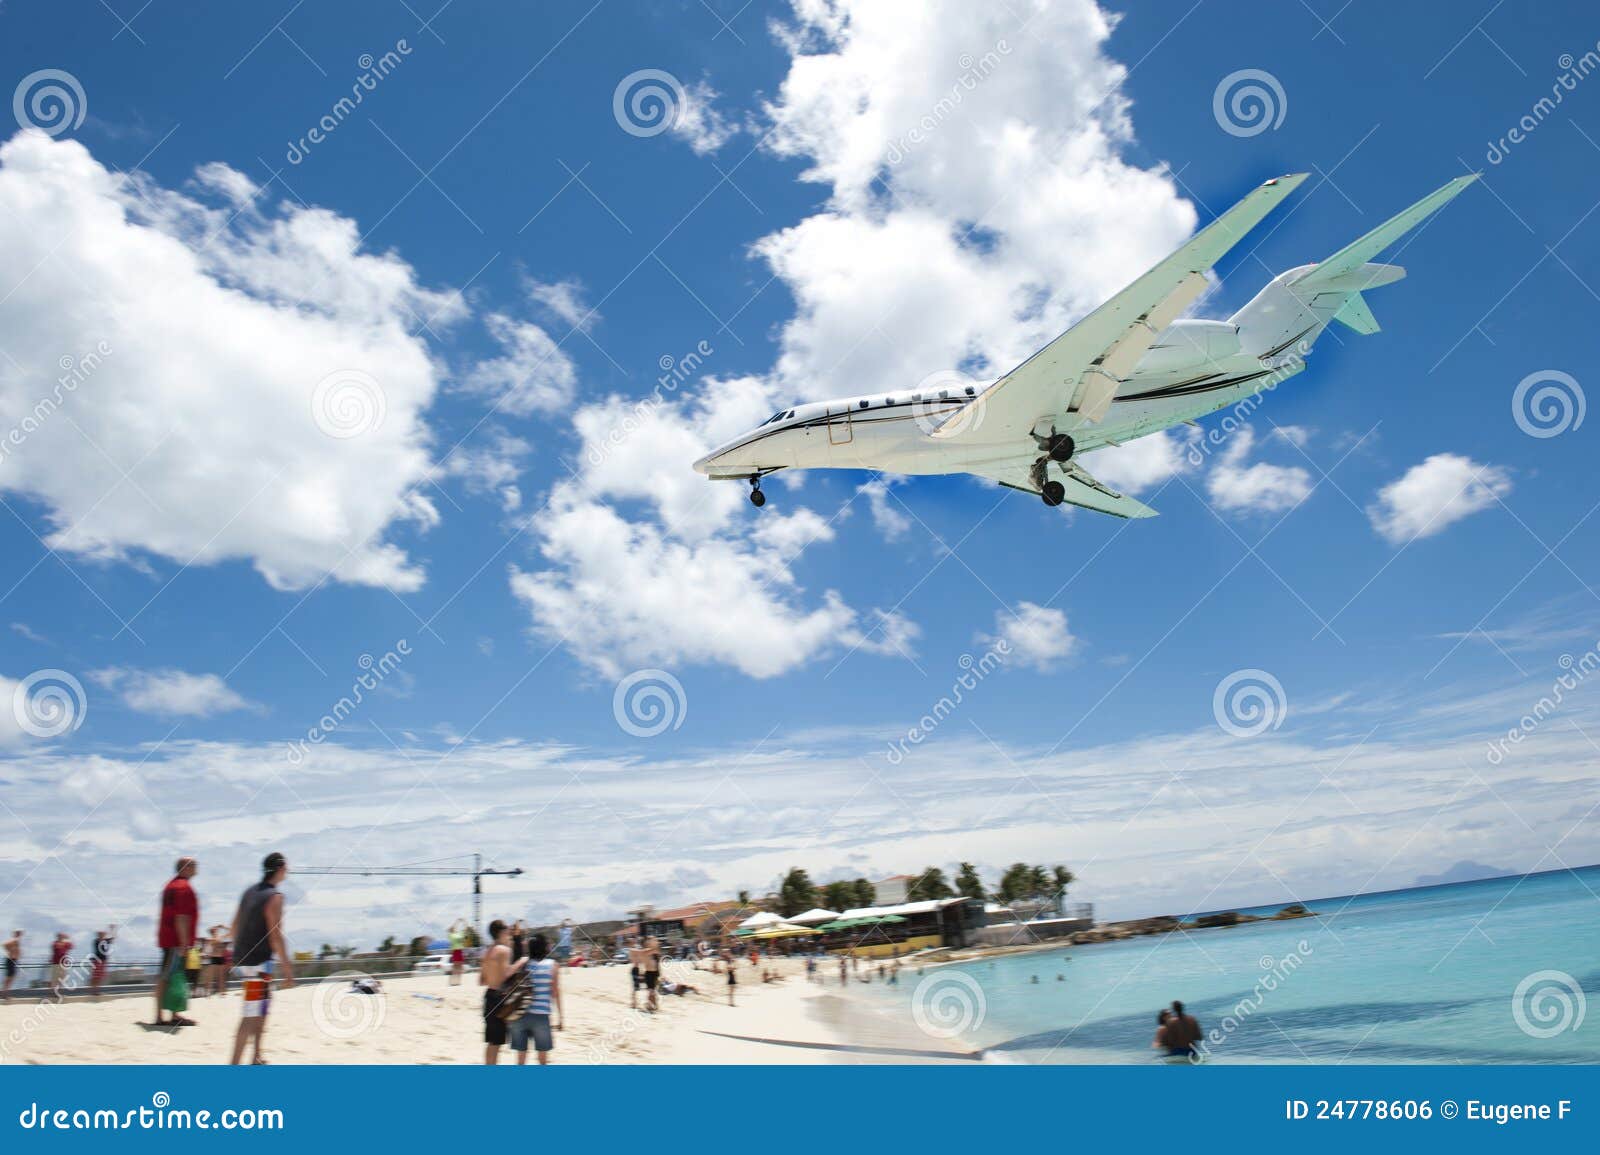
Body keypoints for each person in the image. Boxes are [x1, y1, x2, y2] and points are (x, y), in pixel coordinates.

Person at [229, 852, 294, 1065]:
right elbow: (276, 935)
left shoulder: (249, 892)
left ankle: (256, 1054)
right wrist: (287, 969)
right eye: (286, 868)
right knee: (250, 1014)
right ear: (280, 869)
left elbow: (235, 926)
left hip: (245, 959)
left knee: (263, 1006)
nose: (288, 871)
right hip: (258, 963)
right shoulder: (275, 897)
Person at [156, 856, 200, 1026]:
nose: (196, 867)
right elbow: (181, 917)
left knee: (173, 976)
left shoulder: (170, 886)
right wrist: (183, 943)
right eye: (193, 865)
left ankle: (173, 1015)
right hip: (175, 941)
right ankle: (160, 1017)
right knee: (166, 976)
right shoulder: (183, 888)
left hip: (168, 939)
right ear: (184, 868)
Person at [510, 933, 563, 1066]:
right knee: (542, 1060)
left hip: (520, 1014)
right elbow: (555, 993)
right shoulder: (552, 965)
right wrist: (561, 1017)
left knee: (521, 1060)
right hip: (541, 1016)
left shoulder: (524, 964)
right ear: (545, 947)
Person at [480, 919, 527, 1065]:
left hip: (488, 996)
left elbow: (482, 980)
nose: (508, 931)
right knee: (498, 1042)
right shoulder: (504, 950)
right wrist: (521, 962)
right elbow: (505, 976)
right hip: (499, 997)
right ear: (501, 932)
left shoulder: (486, 952)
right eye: (506, 929)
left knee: (492, 1041)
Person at [90, 926, 116, 999]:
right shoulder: (96, 941)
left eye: (103, 934)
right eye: (101, 934)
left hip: (103, 961)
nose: (103, 935)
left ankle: (96, 991)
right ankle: (93, 991)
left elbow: (113, 939)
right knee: (96, 976)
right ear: (99, 935)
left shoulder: (105, 941)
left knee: (100, 976)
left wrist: (112, 929)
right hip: (97, 961)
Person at [49, 932, 72, 997]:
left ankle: (58, 993)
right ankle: (54, 993)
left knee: (62, 979)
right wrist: (65, 942)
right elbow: (58, 949)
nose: (61, 937)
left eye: (62, 936)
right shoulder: (55, 943)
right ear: (58, 936)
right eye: (60, 936)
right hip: (56, 964)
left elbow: (71, 945)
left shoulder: (66, 943)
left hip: (63, 964)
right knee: (55, 979)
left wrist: (68, 938)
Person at [447, 919, 469, 986]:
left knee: (460, 967)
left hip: (460, 951)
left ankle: (458, 981)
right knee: (455, 966)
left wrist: (464, 922)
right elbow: (452, 927)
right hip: (455, 951)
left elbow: (465, 929)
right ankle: (452, 981)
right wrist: (456, 922)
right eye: (453, 929)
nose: (454, 929)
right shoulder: (451, 935)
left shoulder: (460, 934)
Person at [3, 929, 22, 1000]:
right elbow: (4, 944)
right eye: (19, 933)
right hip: (11, 961)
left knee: (9, 978)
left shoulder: (16, 940)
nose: (20, 934)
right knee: (9, 979)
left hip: (13, 961)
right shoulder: (15, 939)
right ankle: (5, 995)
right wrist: (10, 952)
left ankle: (5, 994)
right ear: (16, 933)